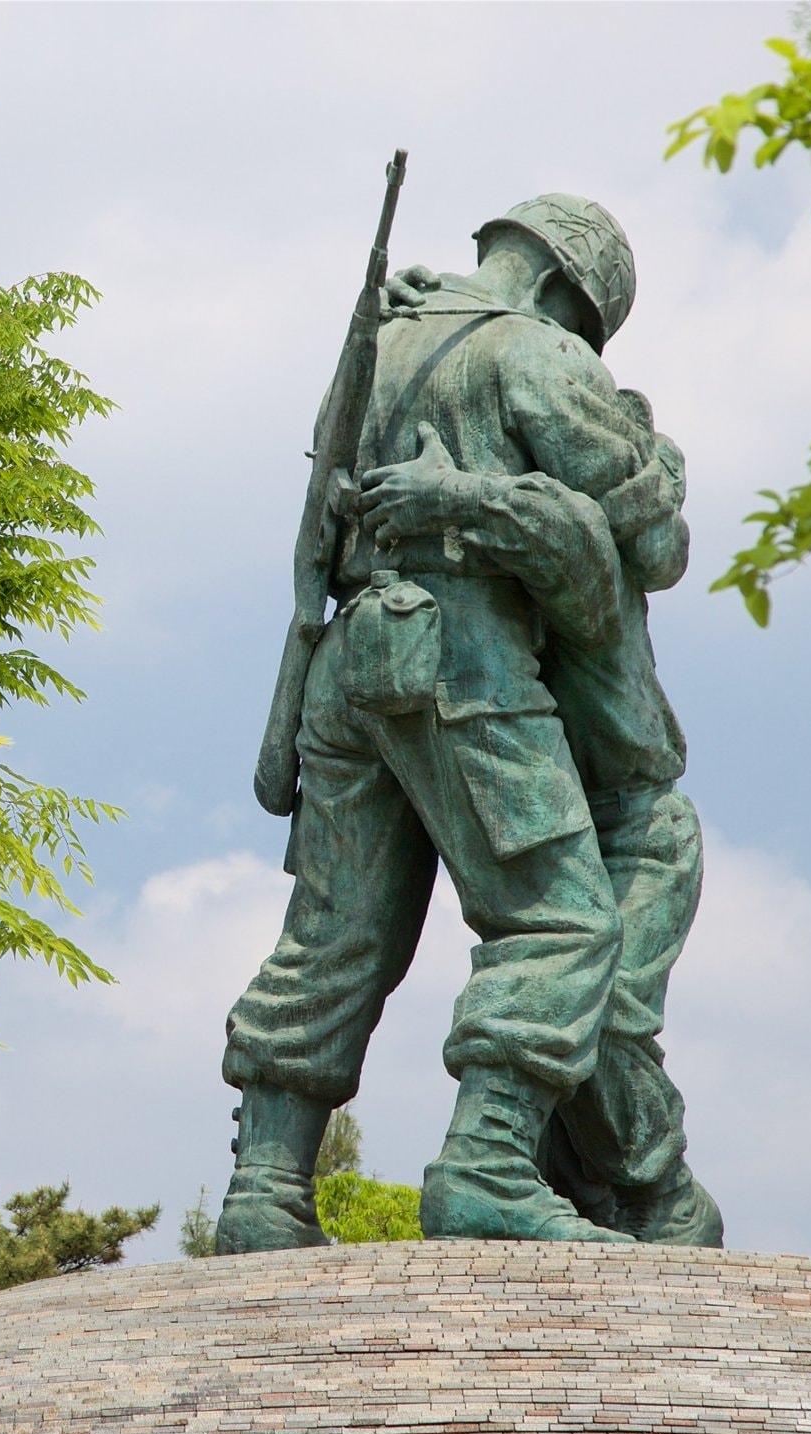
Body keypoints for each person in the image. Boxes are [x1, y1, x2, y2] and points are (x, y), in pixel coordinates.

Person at [217, 195, 653, 1250]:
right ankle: (488, 1167)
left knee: (334, 933)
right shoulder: (535, 353)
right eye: (584, 326)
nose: (575, 340)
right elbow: (648, 539)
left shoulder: (374, 339)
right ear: (561, 288)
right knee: (564, 923)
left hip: (347, 665)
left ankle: (265, 1189)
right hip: (464, 659)